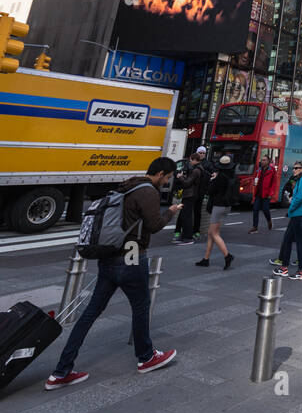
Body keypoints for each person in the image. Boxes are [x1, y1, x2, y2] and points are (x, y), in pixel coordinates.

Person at [44, 159, 180, 388]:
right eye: (166, 177)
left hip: (108, 254)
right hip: (132, 253)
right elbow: (154, 225)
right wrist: (172, 213)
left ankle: (60, 372)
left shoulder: (126, 186)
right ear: (160, 173)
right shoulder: (148, 192)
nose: (166, 182)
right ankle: (146, 357)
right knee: (140, 306)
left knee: (90, 313)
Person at [271, 160, 302, 279]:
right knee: (287, 240)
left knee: (299, 242)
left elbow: (299, 198)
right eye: (293, 168)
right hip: (296, 215)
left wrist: (290, 209)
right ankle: (284, 268)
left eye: (297, 168)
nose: (293, 170)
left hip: (299, 215)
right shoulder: (299, 180)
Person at [196, 154, 236, 270]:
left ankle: (227, 256)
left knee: (214, 234)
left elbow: (211, 191)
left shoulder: (220, 177)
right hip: (227, 206)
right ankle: (206, 258)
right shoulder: (232, 176)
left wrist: (213, 180)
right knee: (211, 232)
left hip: (218, 206)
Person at [173, 153, 204, 244]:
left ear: (194, 160)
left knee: (187, 216)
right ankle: (184, 236)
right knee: (184, 215)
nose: (190, 162)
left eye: (190, 160)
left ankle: (188, 237)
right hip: (190, 194)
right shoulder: (198, 169)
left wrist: (181, 177)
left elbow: (187, 183)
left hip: (190, 195)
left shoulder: (196, 170)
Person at [250, 155, 278, 232]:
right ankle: (255, 227)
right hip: (258, 193)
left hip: (266, 193)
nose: (262, 162)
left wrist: (271, 193)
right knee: (255, 209)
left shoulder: (272, 170)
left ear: (268, 161)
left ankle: (269, 221)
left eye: (264, 160)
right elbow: (256, 179)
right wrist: (254, 183)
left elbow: (274, 183)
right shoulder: (259, 170)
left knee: (265, 209)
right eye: (262, 160)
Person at [191, 145, 214, 241]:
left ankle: (196, 230)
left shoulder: (208, 164)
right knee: (188, 212)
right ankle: (184, 230)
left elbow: (212, 175)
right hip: (191, 190)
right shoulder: (192, 162)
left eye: (203, 153)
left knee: (197, 211)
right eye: (200, 153)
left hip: (201, 191)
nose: (201, 154)